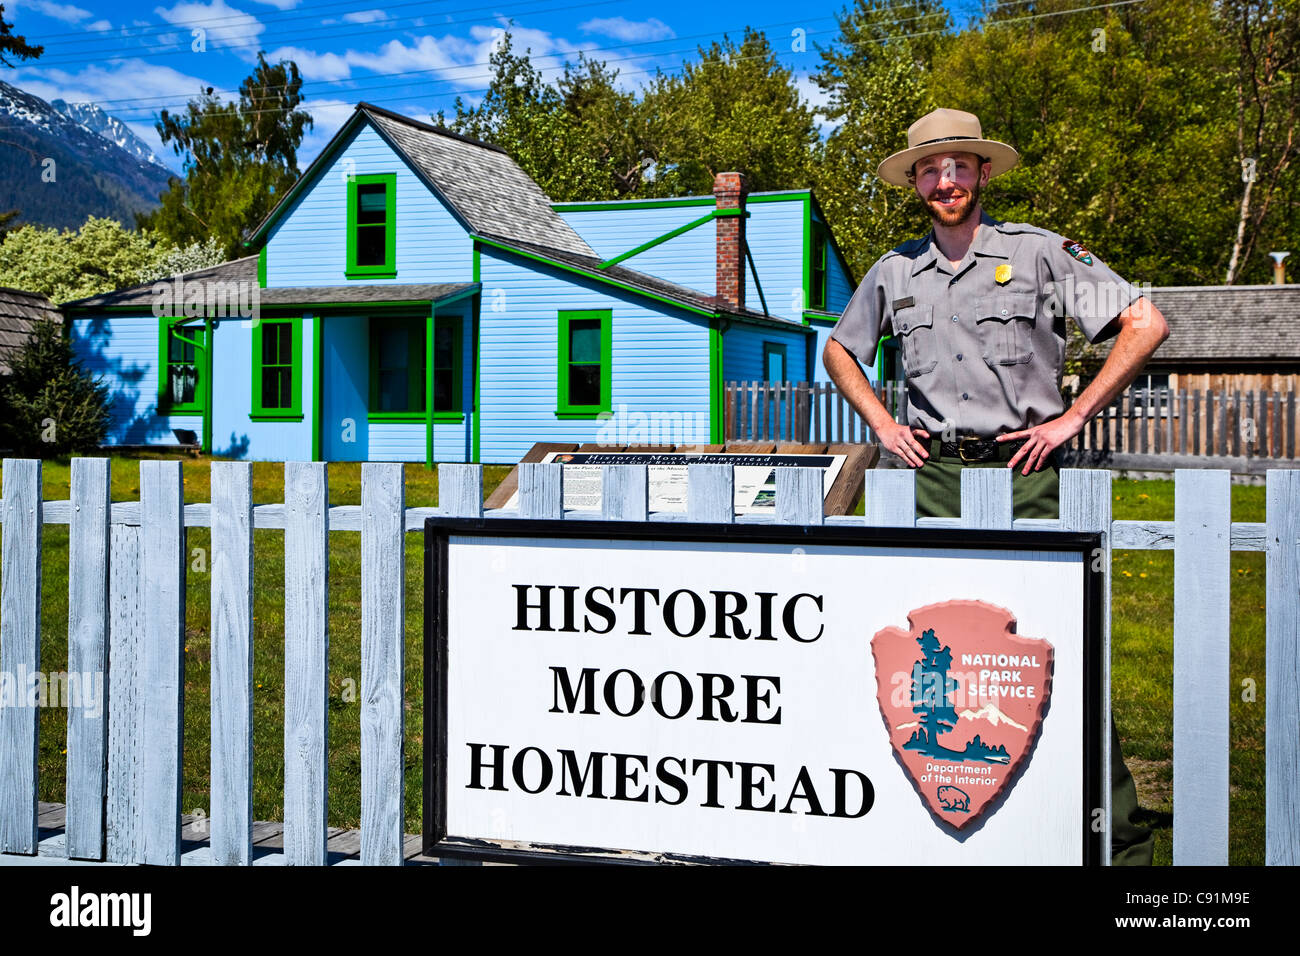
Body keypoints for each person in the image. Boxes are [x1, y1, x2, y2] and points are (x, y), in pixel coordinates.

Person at [825, 108, 1168, 864]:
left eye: (958, 166)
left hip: (1027, 476)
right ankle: (946, 818)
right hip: (933, 479)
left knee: (1058, 650)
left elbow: (1144, 323)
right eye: (929, 168)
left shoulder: (1041, 254)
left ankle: (1116, 838)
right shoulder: (893, 271)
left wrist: (1075, 414)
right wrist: (885, 426)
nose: (945, 180)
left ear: (982, 173)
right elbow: (839, 352)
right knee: (933, 658)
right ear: (915, 181)